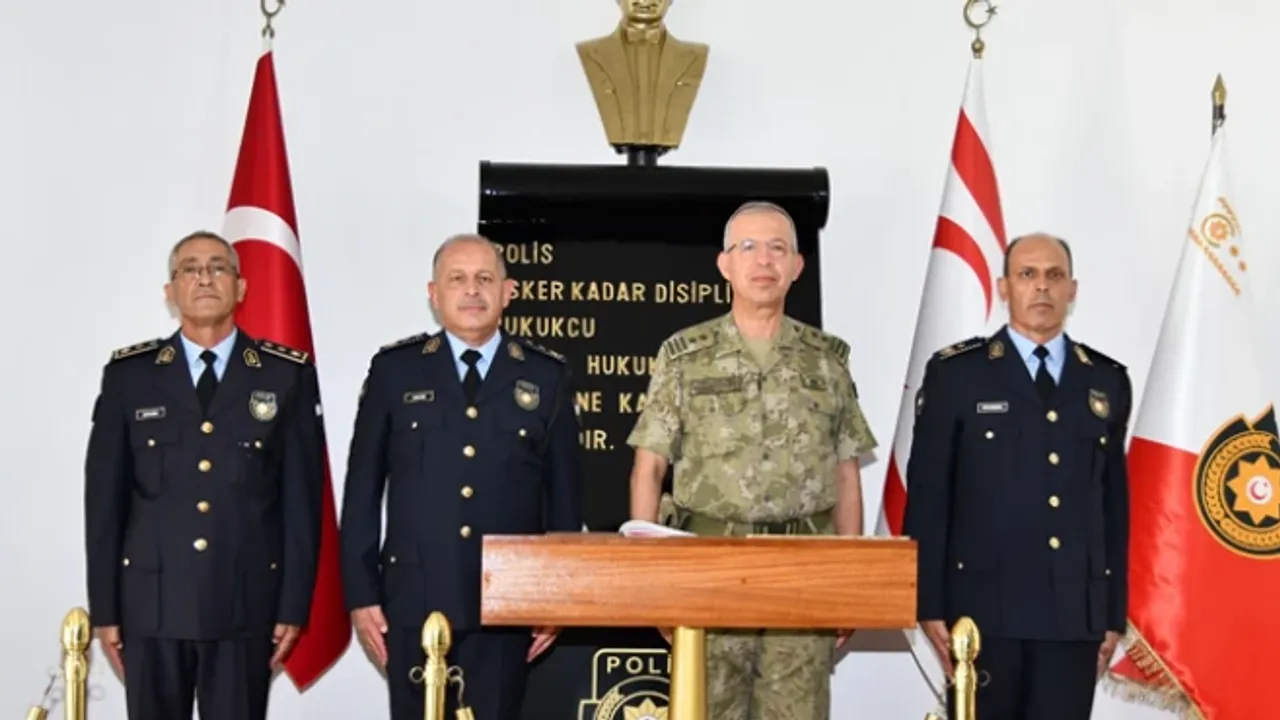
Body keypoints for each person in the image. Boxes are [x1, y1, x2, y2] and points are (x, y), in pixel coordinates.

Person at [626, 201, 876, 720]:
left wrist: (848, 582)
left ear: (797, 266)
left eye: (777, 248)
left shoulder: (827, 361)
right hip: (707, 570)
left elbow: (845, 473)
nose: (764, 261)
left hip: (803, 575)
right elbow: (649, 468)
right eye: (748, 247)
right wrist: (651, 584)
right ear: (725, 265)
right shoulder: (683, 355)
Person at [340, 233, 585, 720]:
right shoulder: (395, 371)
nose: (471, 290)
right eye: (457, 279)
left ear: (507, 292)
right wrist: (362, 594)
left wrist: (556, 595)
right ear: (434, 293)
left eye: (484, 279)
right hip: (413, 598)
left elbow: (565, 500)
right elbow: (362, 490)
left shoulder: (547, 376)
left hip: (509, 602)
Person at [83, 230, 326, 720]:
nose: (205, 277)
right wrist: (106, 610)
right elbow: (104, 503)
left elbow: (303, 504)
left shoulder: (285, 375)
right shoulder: (130, 376)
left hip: (245, 605)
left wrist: (292, 606)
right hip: (152, 607)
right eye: (189, 269)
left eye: (219, 267)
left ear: (241, 288)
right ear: (170, 292)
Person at [903, 233, 1131, 720]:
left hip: (1074, 614)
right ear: (1004, 287)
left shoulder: (1105, 381)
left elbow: (1113, 507)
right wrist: (927, 600)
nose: (1041, 288)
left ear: (1073, 289)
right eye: (1028, 275)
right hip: (984, 610)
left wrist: (1111, 613)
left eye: (1054, 276)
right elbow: (929, 495)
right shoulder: (957, 375)